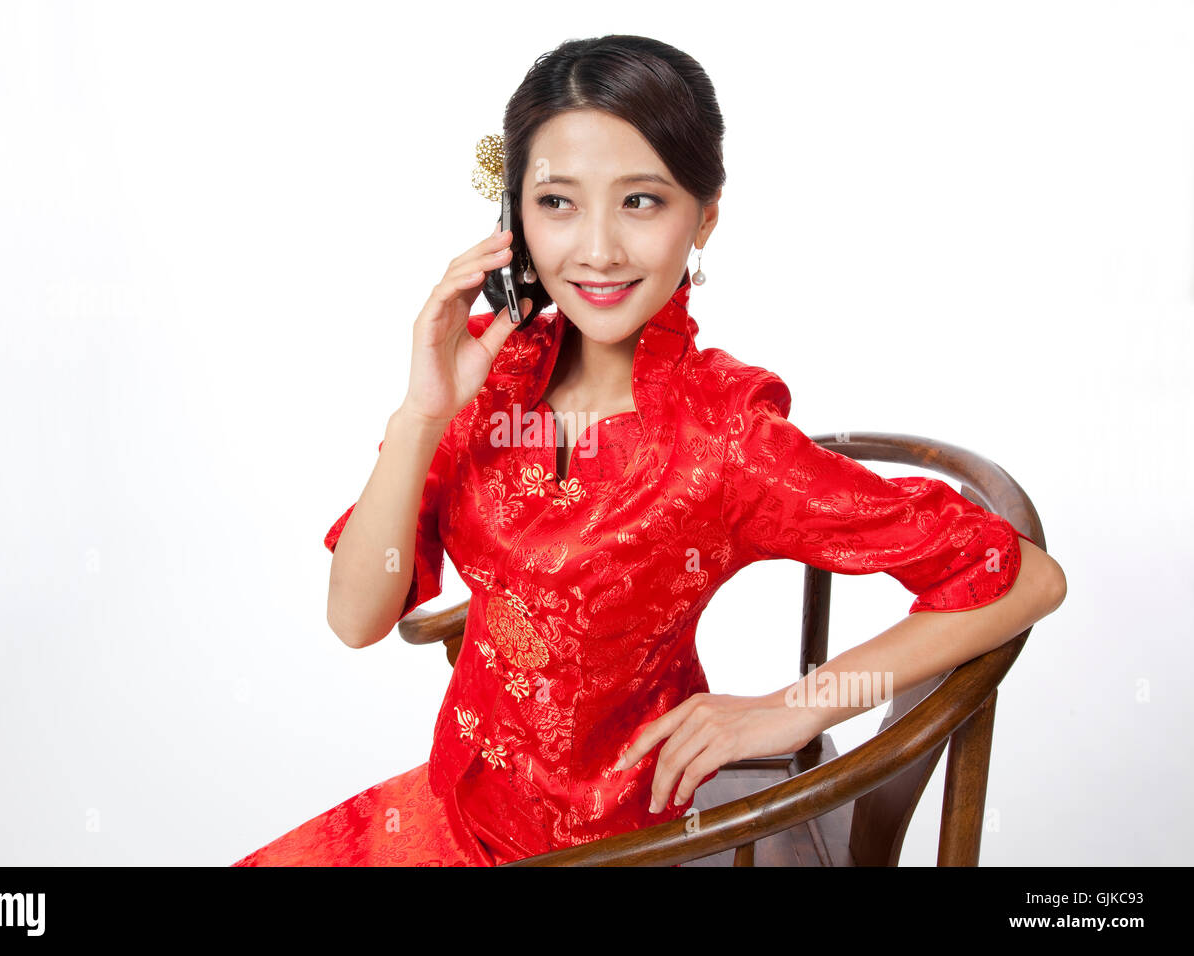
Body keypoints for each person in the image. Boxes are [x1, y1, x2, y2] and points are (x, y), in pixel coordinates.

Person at [230, 35, 1067, 867]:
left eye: (642, 201)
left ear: (704, 217)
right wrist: (421, 414)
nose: (597, 249)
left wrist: (803, 704)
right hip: (451, 809)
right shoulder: (491, 371)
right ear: (512, 217)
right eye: (557, 202)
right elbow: (355, 618)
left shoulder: (723, 437)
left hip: (607, 852)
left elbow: (1025, 576)